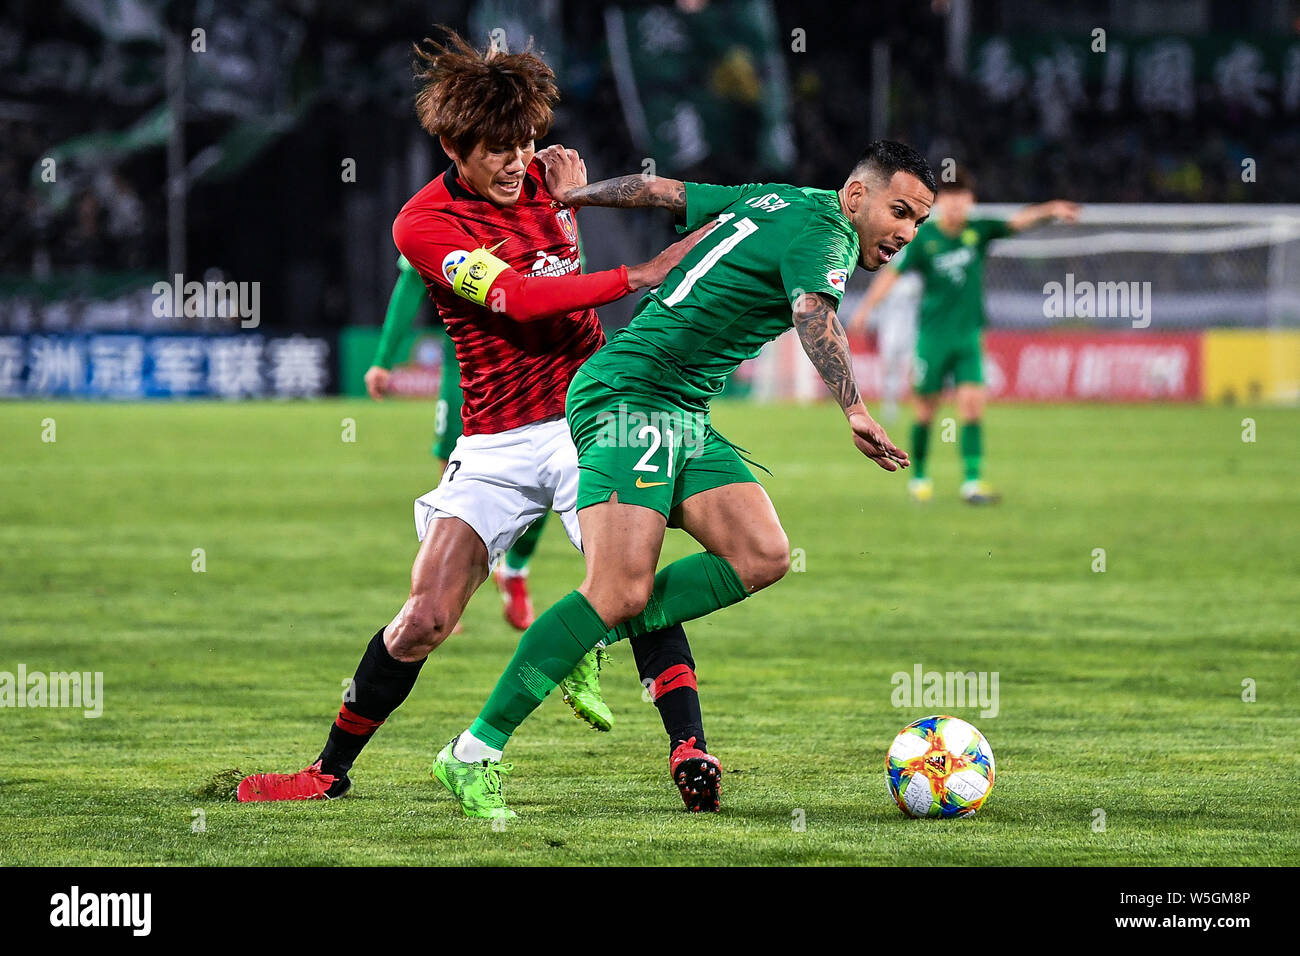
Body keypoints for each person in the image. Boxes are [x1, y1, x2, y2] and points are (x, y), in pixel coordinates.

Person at [237, 29, 713, 808]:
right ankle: (328, 773)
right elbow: (522, 297)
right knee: (424, 618)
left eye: (525, 142)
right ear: (455, 146)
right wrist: (638, 272)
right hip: (493, 438)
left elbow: (559, 268)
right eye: (496, 148)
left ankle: (690, 750)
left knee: (629, 582)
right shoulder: (424, 225)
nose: (516, 161)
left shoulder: (552, 181)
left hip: (586, 418)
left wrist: (579, 198)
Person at [431, 140, 934, 820]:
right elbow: (814, 315)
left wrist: (579, 195)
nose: (904, 232)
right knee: (619, 587)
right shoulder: (828, 233)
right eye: (898, 211)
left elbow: (665, 193)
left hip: (680, 406)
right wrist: (854, 407)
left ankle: (591, 637)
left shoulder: (777, 197)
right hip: (630, 394)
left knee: (761, 555)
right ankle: (472, 753)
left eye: (918, 222)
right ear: (856, 197)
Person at [849, 168, 1080, 504]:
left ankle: (972, 482)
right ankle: (919, 478)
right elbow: (892, 275)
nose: (957, 206)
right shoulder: (924, 240)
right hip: (932, 338)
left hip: (969, 338)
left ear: (971, 202)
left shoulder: (978, 231)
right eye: (950, 199)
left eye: (963, 199)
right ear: (941, 203)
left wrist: (1050, 210)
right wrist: (866, 309)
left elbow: (1018, 222)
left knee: (972, 409)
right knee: (926, 411)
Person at [364, 255, 547, 630]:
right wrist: (384, 360)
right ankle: (436, 592)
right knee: (453, 473)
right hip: (468, 363)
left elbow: (566, 280)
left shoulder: (547, 211)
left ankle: (515, 570)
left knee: (549, 471)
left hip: (535, 362)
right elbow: (412, 281)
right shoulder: (444, 211)